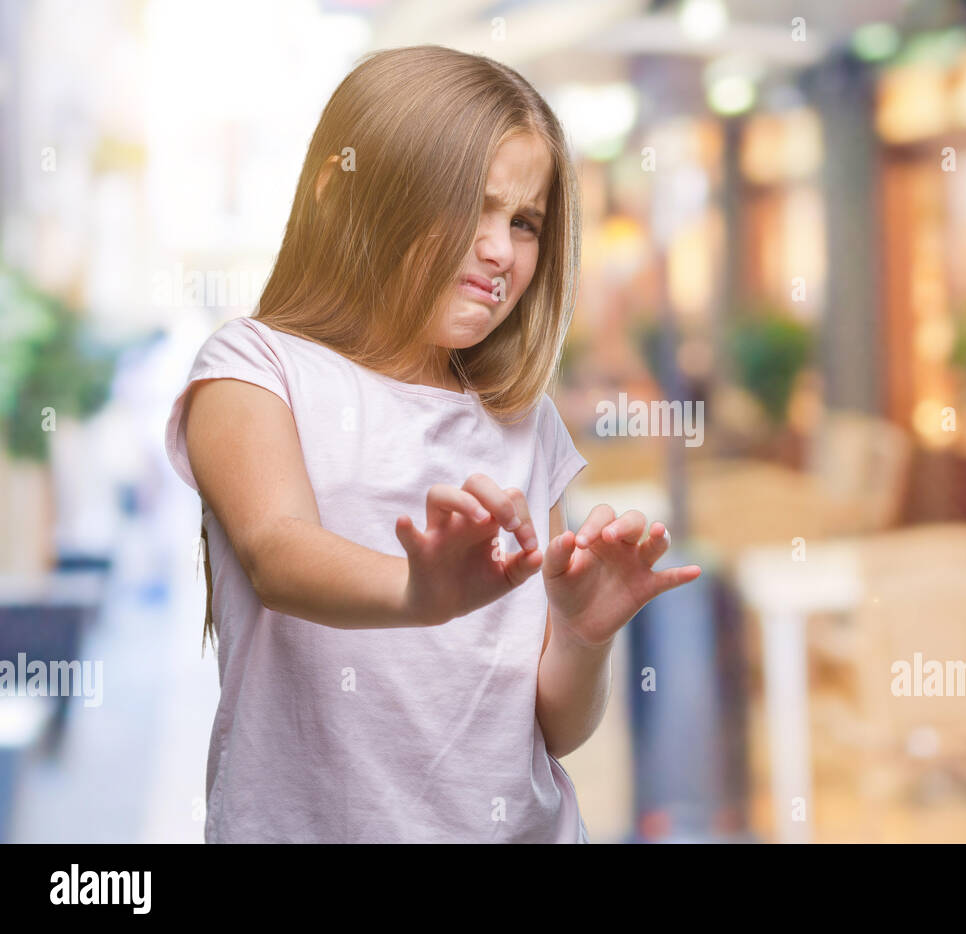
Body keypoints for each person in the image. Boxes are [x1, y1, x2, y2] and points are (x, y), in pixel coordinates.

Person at [163, 45, 701, 843]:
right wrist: (418, 593)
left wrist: (583, 635)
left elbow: (552, 731)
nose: (500, 251)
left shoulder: (527, 421)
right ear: (344, 196)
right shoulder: (255, 366)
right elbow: (278, 553)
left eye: (525, 223)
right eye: (471, 207)